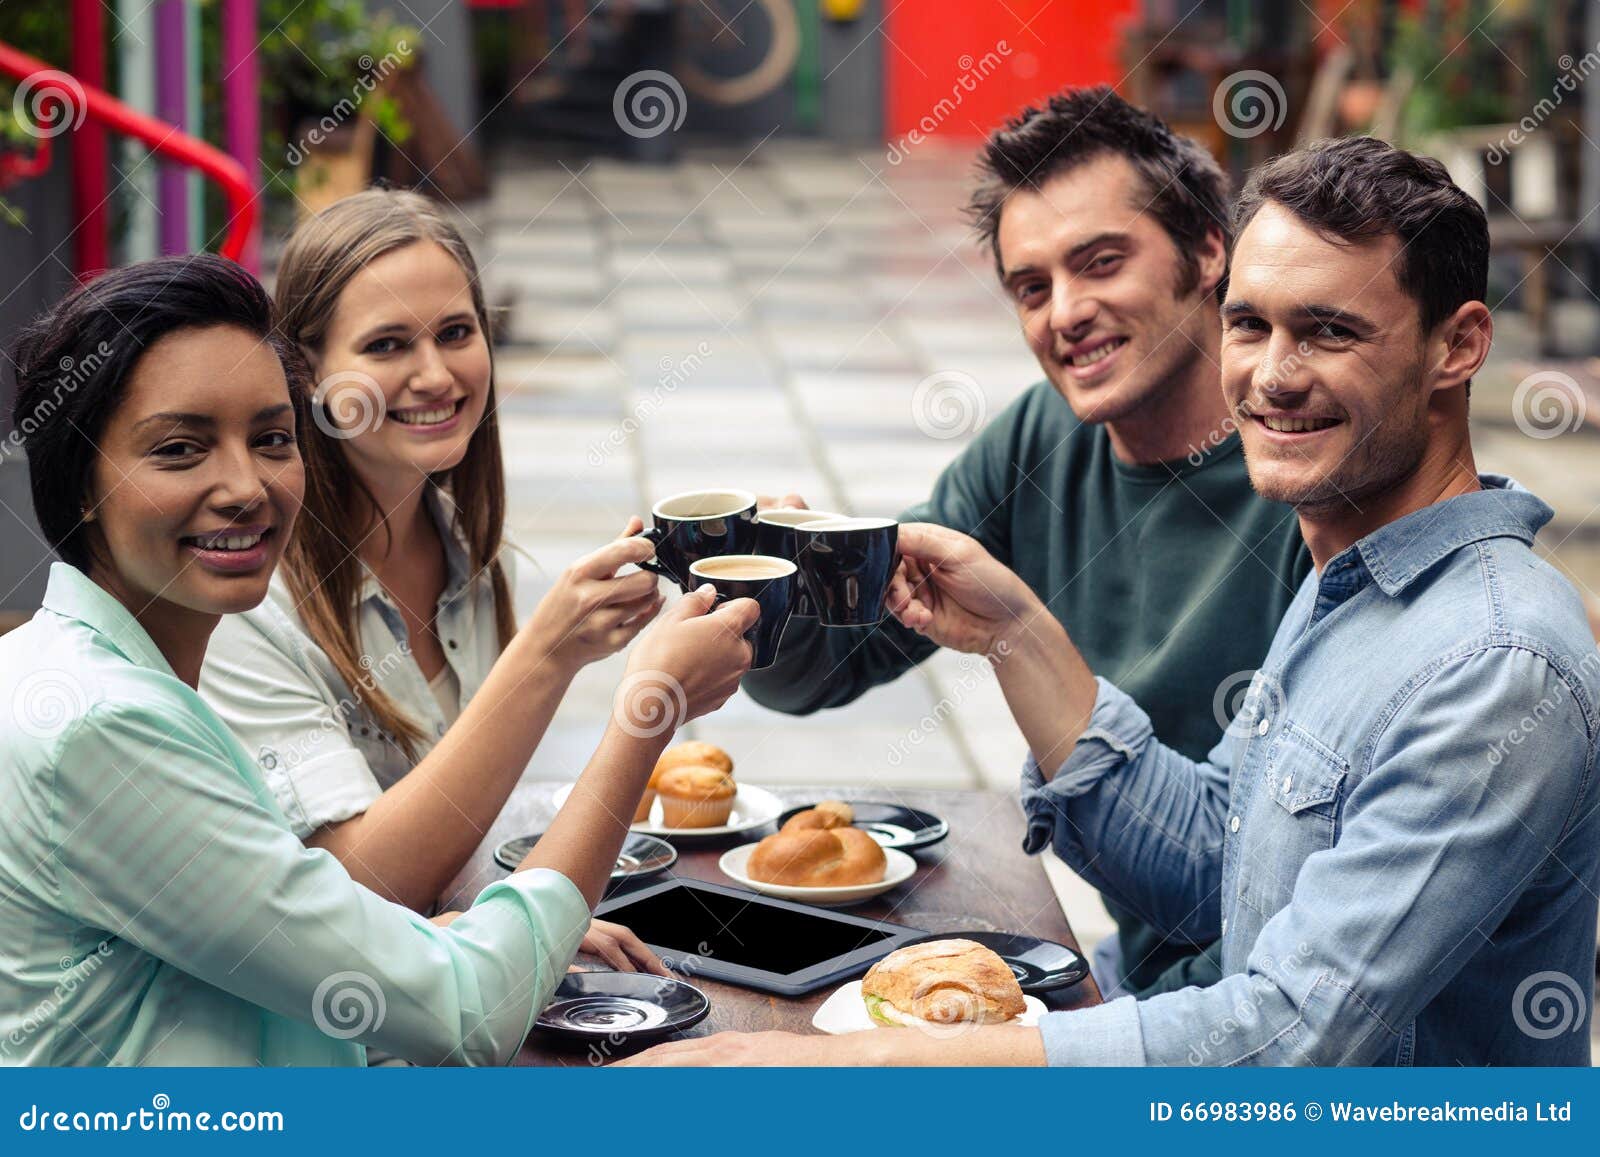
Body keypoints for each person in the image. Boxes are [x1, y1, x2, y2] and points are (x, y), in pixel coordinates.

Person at [624, 137, 1600, 1067]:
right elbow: (1213, 867)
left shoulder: (1493, 666)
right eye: (1250, 324)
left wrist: (879, 1059)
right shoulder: (1351, 574)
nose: (1270, 374)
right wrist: (1012, 631)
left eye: (1329, 330)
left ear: (1458, 346)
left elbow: (1286, 1040)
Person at [0, 255, 755, 1065]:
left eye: (270, 439)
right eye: (181, 448)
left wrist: (443, 934)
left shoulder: (87, 667)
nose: (245, 485)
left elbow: (244, 927)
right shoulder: (102, 728)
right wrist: (647, 710)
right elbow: (463, 1012)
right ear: (82, 482)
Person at [745, 87, 1311, 998]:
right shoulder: (1042, 440)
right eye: (1032, 286)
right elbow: (824, 671)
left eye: (1101, 263)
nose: (1066, 312)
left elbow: (1276, 899)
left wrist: (1088, 1033)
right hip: (1144, 975)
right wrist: (770, 584)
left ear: (1212, 249)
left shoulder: (1301, 478)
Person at [198, 190, 661, 968]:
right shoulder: (250, 605)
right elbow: (353, 892)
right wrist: (571, 667)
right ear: (307, 373)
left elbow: (444, 858)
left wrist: (510, 916)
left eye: (456, 332)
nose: (435, 375)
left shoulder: (480, 565)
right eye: (386, 346)